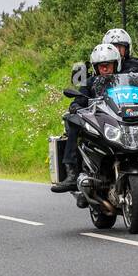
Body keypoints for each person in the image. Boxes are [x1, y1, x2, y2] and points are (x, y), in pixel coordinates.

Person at [51, 43, 121, 193]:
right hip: (99, 122)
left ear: (116, 65)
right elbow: (81, 99)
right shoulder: (90, 83)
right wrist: (76, 106)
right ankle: (72, 173)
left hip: (119, 121)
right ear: (95, 68)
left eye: (108, 65)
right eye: (101, 66)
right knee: (73, 120)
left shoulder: (122, 82)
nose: (104, 68)